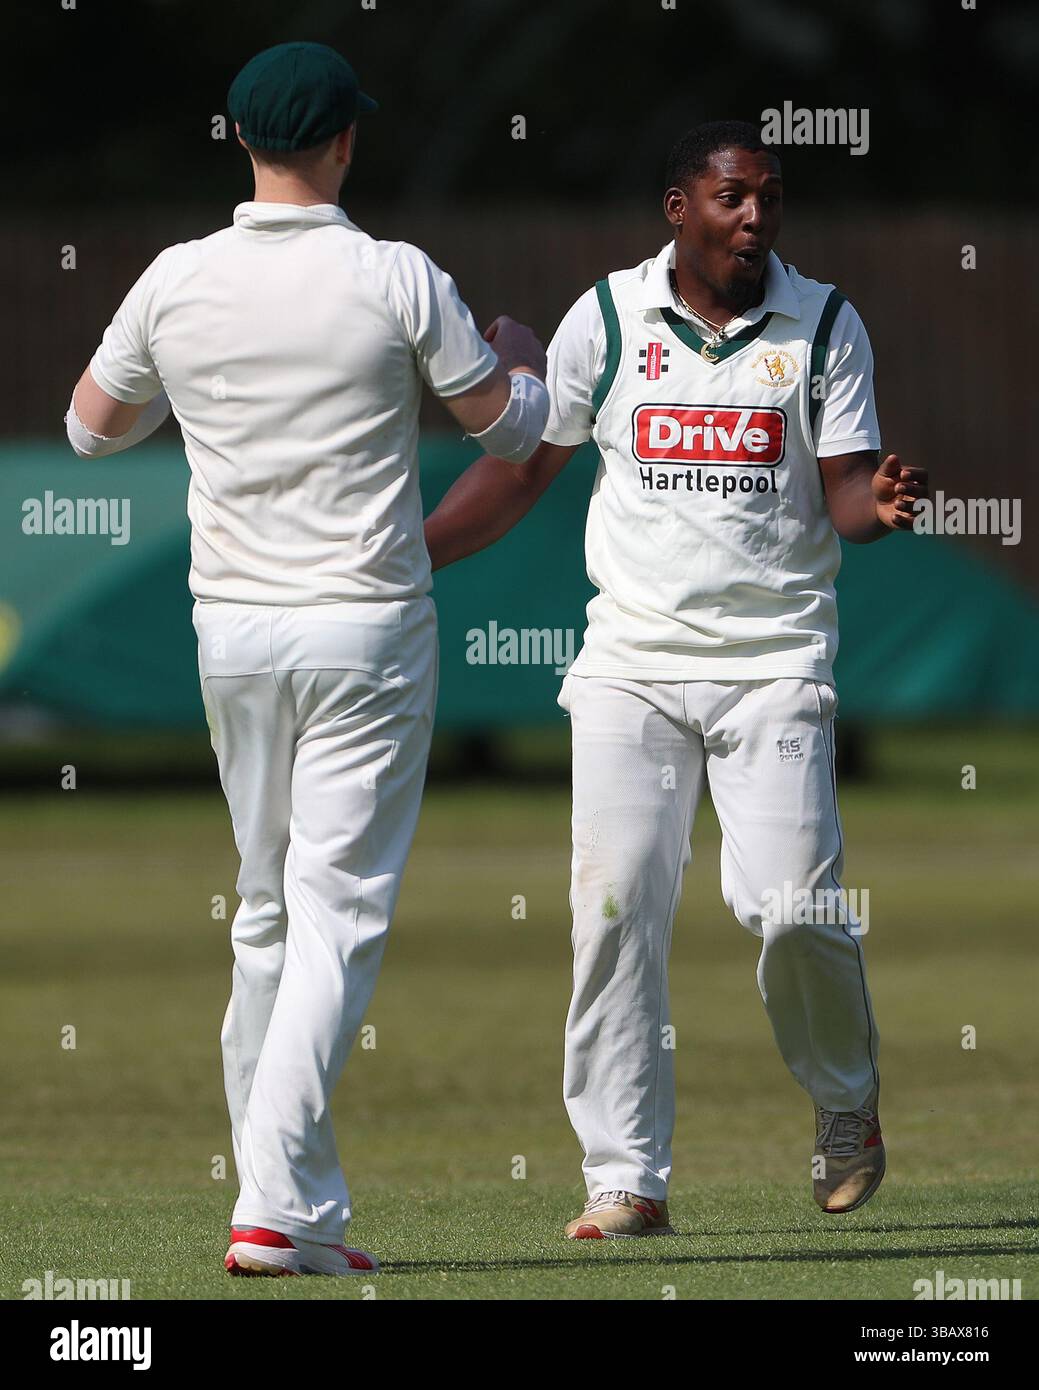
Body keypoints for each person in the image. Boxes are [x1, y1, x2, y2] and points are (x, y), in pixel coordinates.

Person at [65, 41, 548, 1275]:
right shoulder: (394, 273)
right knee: (332, 915)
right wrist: (525, 364)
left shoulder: (176, 277)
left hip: (233, 632)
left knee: (269, 915)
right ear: (345, 142)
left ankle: (298, 1212)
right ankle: (272, 1207)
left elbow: (89, 432)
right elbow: (506, 424)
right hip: (366, 626)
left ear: (241, 141)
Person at [425, 120, 928, 1238]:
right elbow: (522, 473)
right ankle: (625, 1175)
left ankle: (845, 1106)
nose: (755, 216)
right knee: (611, 911)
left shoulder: (825, 322)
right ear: (677, 209)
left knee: (792, 907)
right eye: (732, 197)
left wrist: (879, 507)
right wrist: (412, 552)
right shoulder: (604, 317)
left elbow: (846, 492)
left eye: (770, 197)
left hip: (774, 668)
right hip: (631, 669)